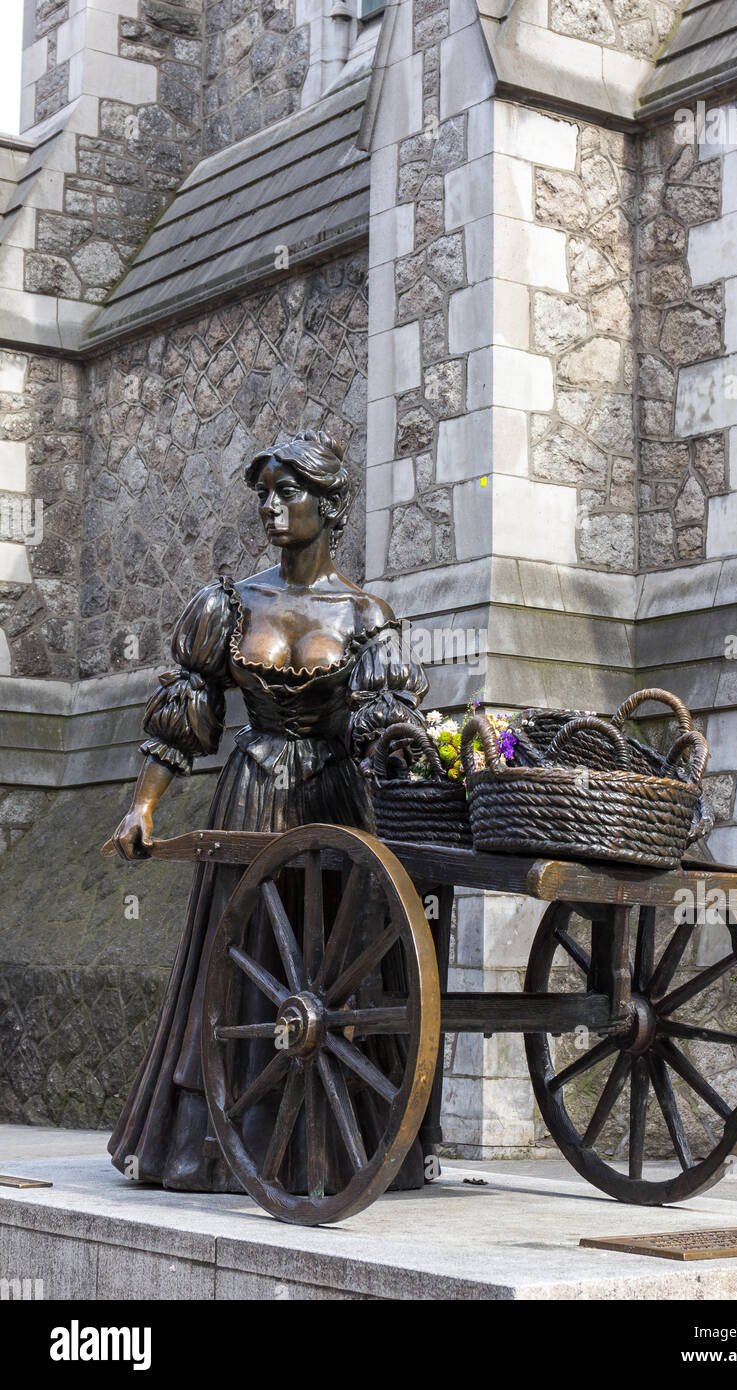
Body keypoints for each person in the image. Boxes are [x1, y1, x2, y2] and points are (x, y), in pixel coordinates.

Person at [108, 430, 428, 1191]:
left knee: (337, 962)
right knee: (242, 953)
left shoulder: (365, 615)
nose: (272, 507)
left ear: (330, 505)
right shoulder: (229, 603)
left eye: (289, 492)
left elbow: (387, 726)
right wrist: (142, 808)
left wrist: (396, 742)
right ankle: (218, 1145)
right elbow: (182, 716)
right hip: (251, 789)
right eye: (265, 493)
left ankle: (341, 1147)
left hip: (337, 802)